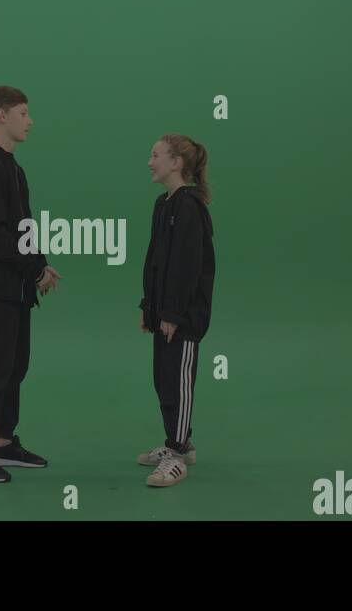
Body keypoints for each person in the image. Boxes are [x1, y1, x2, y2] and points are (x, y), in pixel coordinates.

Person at [0, 85, 62, 483]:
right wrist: (32, 270)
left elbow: (22, 231)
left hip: (17, 288)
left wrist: (41, 266)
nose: (29, 120)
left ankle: (4, 443)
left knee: (16, 367)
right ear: (1, 117)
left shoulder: (14, 169)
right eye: (23, 112)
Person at [138, 134, 215, 487]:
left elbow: (188, 265)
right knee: (163, 380)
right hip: (163, 314)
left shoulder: (190, 206)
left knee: (178, 383)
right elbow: (156, 261)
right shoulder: (163, 204)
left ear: (176, 163)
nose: (150, 162)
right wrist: (149, 306)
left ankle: (178, 453)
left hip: (181, 318)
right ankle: (176, 441)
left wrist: (173, 313)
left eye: (156, 156)